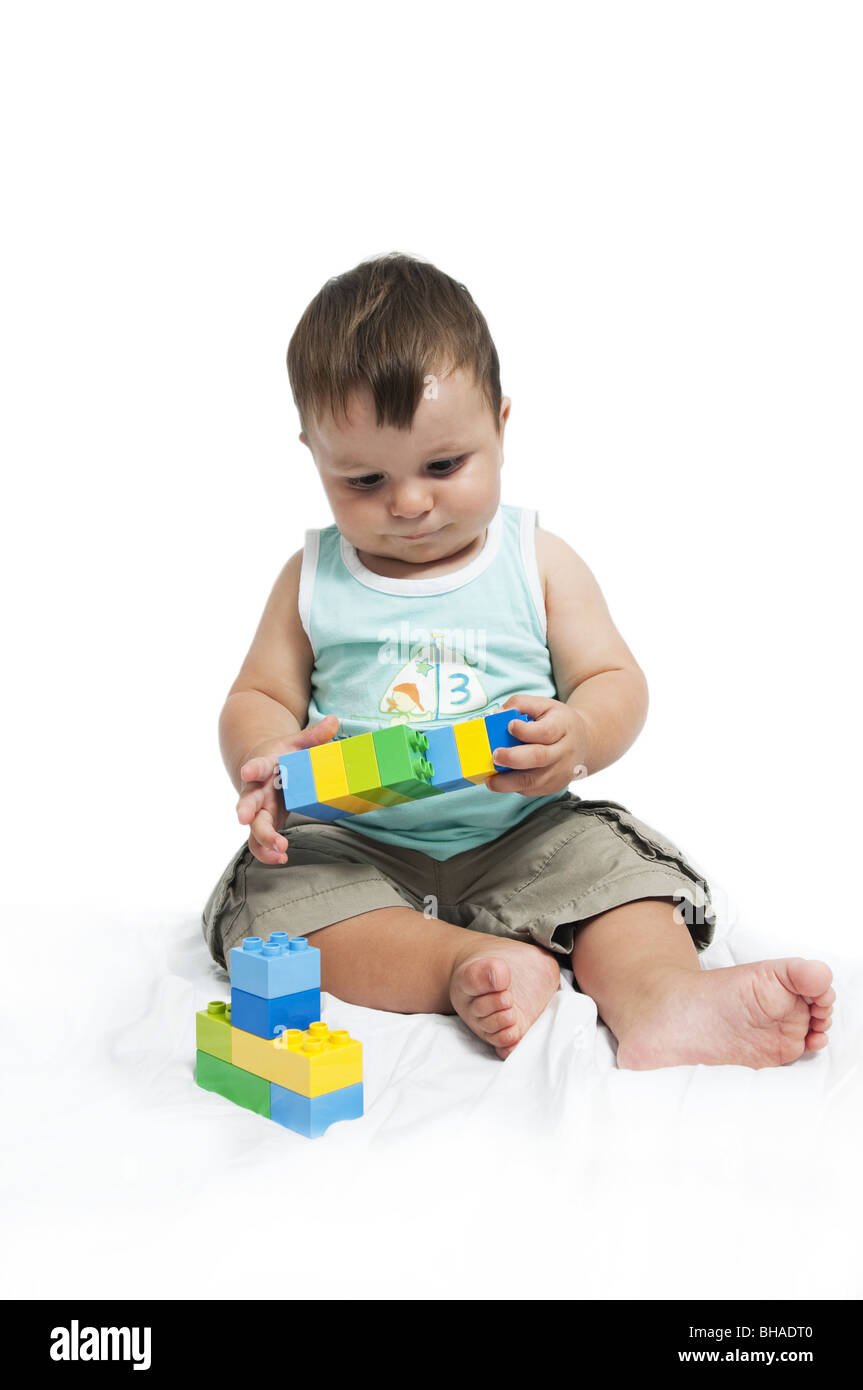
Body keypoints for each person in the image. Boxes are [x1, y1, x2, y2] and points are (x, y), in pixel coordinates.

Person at [203, 252, 834, 1068]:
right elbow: (258, 691)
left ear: (500, 425)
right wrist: (261, 757)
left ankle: (661, 999)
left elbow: (613, 680)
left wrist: (578, 734)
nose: (409, 502)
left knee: (616, 877)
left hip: (523, 830)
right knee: (279, 906)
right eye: (363, 478)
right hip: (353, 842)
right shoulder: (311, 576)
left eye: (443, 465)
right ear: (313, 454)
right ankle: (464, 967)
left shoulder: (535, 558)